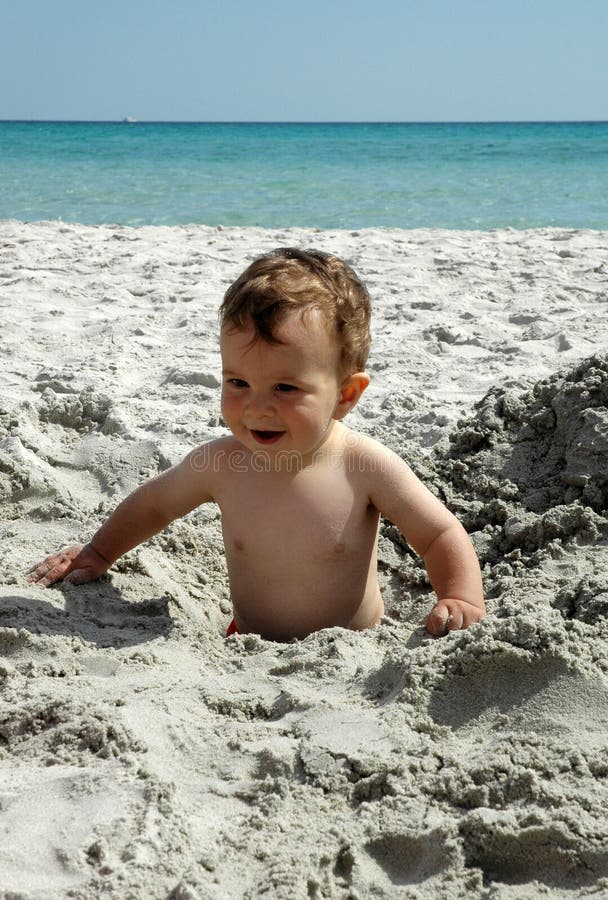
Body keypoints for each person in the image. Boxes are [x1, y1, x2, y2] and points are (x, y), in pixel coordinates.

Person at [27, 248, 485, 641]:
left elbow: (439, 534)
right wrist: (100, 552)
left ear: (345, 395)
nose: (257, 408)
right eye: (238, 382)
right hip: (243, 643)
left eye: (285, 388)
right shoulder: (220, 463)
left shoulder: (364, 466)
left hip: (353, 652)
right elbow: (154, 505)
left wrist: (460, 595)